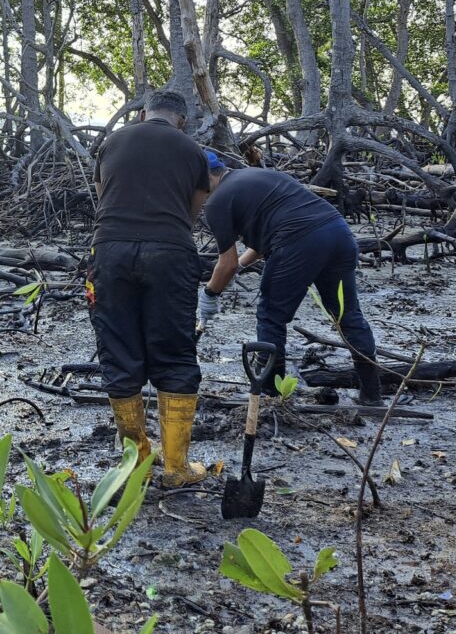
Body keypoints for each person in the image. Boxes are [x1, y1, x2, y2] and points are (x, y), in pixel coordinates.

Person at [89, 89, 210, 487]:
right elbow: (195, 207)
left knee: (118, 348)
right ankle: (176, 468)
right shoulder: (191, 150)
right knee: (174, 351)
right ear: (181, 120)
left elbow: (103, 195)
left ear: (143, 114)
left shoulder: (113, 141)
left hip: (110, 250)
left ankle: (136, 463)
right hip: (170, 251)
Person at [198, 154, 382, 404]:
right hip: (339, 233)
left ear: (204, 176)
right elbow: (263, 240)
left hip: (300, 242)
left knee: (270, 315)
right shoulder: (256, 175)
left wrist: (210, 295)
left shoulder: (216, 202)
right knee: (348, 315)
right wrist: (240, 266)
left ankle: (271, 395)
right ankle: (372, 396)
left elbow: (225, 263)